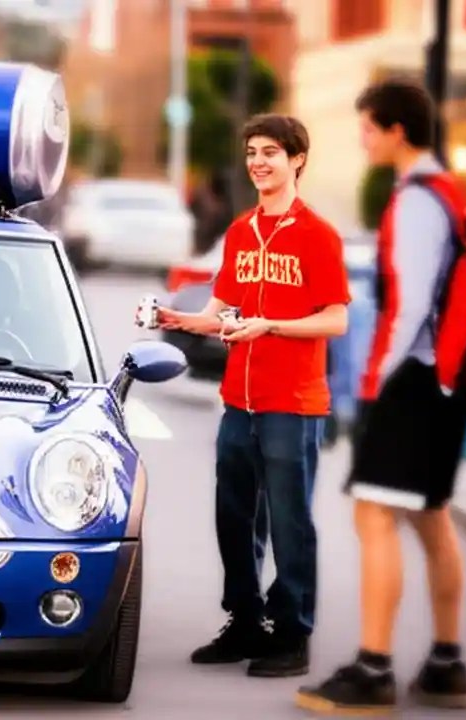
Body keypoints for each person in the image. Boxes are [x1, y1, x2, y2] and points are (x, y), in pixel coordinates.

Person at [297, 79, 466, 715]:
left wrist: (375, 384)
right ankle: (447, 664)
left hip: (415, 380)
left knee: (374, 514)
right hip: (446, 378)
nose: (364, 138)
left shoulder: (420, 200)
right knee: (431, 514)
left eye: (370, 127)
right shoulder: (445, 192)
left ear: (397, 130)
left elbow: (411, 305)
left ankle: (373, 669)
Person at [158, 114, 351, 678]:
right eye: (251, 152)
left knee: (290, 520)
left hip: (292, 400)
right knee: (234, 515)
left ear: (298, 160)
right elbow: (219, 314)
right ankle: (245, 620)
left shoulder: (318, 234)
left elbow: (336, 319)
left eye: (270, 151)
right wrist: (177, 318)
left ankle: (292, 634)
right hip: (238, 398)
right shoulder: (242, 231)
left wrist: (271, 326)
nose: (259, 161)